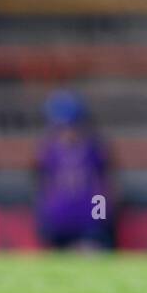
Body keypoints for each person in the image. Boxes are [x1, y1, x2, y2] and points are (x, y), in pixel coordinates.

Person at [34, 91, 117, 250]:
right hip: (60, 217)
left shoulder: (94, 147)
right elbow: (43, 183)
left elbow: (104, 183)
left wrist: (100, 217)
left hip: (87, 217)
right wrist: (46, 214)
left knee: (92, 253)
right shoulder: (49, 149)